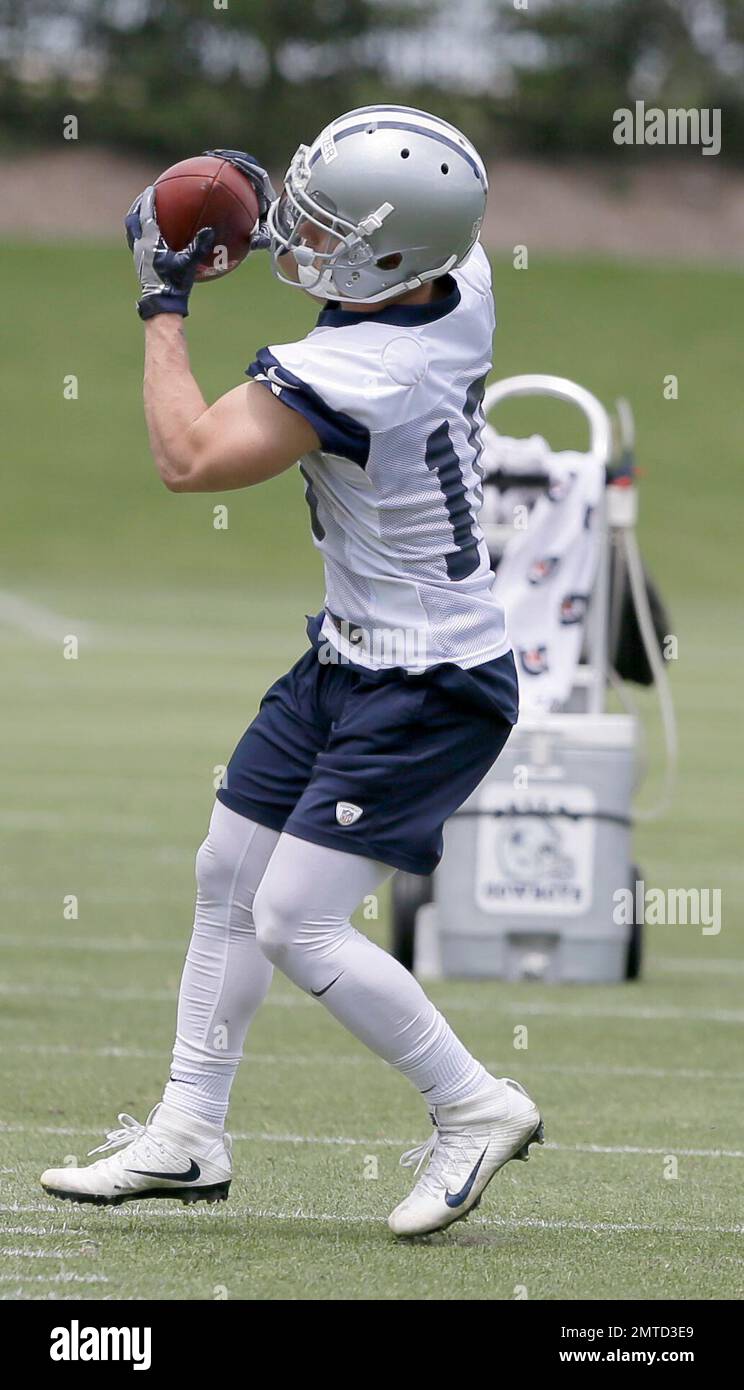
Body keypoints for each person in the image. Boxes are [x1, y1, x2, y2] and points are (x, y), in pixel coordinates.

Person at [40, 106, 542, 1236]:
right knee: (229, 868)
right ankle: (187, 1132)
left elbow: (189, 458)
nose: (297, 235)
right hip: (354, 650)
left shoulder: (358, 370)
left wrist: (163, 302)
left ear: (388, 256)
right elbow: (380, 243)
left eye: (323, 224)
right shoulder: (454, 282)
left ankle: (473, 1104)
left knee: (295, 921)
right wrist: (261, 214)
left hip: (431, 683)